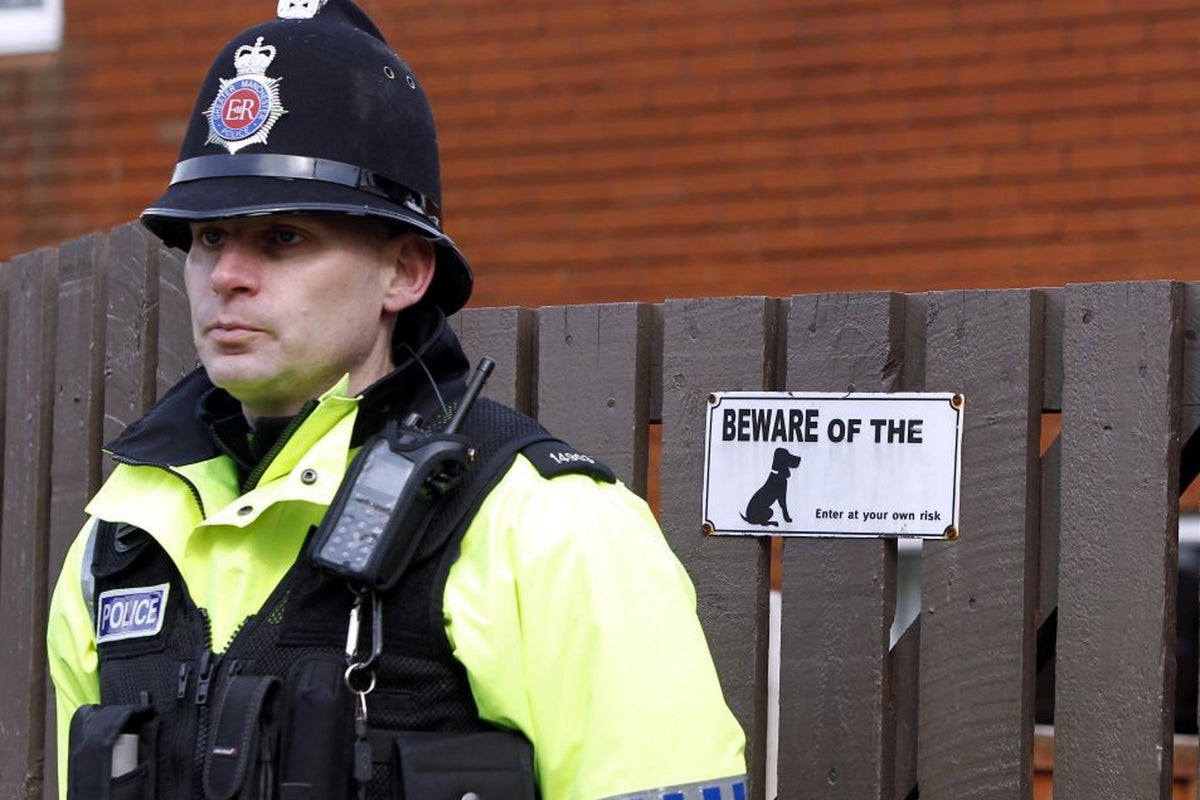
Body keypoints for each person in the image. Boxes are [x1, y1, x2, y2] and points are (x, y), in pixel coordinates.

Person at [46, 1, 747, 798]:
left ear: (405, 272)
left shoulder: (545, 526)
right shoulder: (119, 544)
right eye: (209, 238)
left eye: (283, 237)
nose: (228, 275)